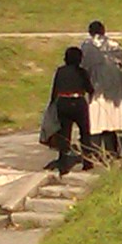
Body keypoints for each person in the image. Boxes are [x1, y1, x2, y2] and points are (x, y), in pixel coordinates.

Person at [81, 19, 122, 160]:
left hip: (97, 86)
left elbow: (83, 67)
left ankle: (97, 153)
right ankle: (112, 151)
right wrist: (121, 81)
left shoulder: (87, 46)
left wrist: (86, 85)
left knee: (96, 120)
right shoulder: (114, 45)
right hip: (114, 86)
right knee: (109, 120)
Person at [43, 47, 93, 175]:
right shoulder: (82, 72)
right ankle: (87, 161)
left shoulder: (60, 71)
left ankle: (63, 162)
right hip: (79, 102)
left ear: (65, 59)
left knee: (64, 134)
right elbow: (90, 89)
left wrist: (52, 104)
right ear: (80, 59)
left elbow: (55, 90)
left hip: (63, 102)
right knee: (85, 133)